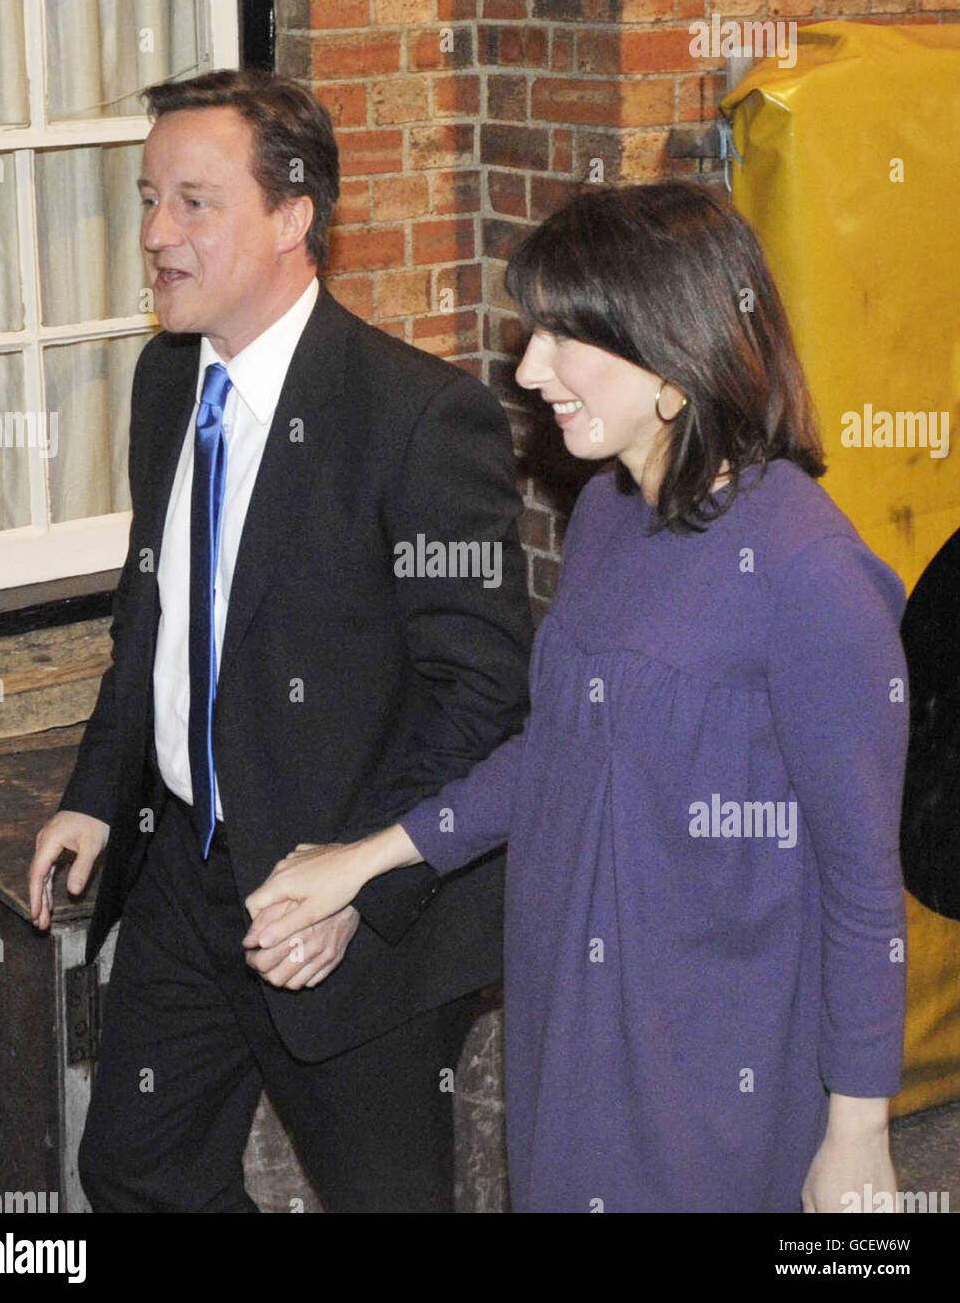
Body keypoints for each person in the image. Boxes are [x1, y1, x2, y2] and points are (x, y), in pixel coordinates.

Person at [247, 181, 911, 1214]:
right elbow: (560, 750)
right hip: (571, 1023)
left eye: (563, 337)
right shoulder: (605, 514)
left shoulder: (807, 568)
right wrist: (369, 856)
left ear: (673, 357)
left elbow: (862, 877)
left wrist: (856, 1127)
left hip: (710, 1064)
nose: (527, 369)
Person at [26, 69, 532, 1213]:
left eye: (194, 202)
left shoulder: (417, 417)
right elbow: (151, 615)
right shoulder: (167, 380)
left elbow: (478, 694)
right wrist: (100, 793)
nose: (155, 234)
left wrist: (353, 881)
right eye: (148, 198)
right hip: (182, 884)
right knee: (134, 1171)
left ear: (292, 217)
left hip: (352, 918)